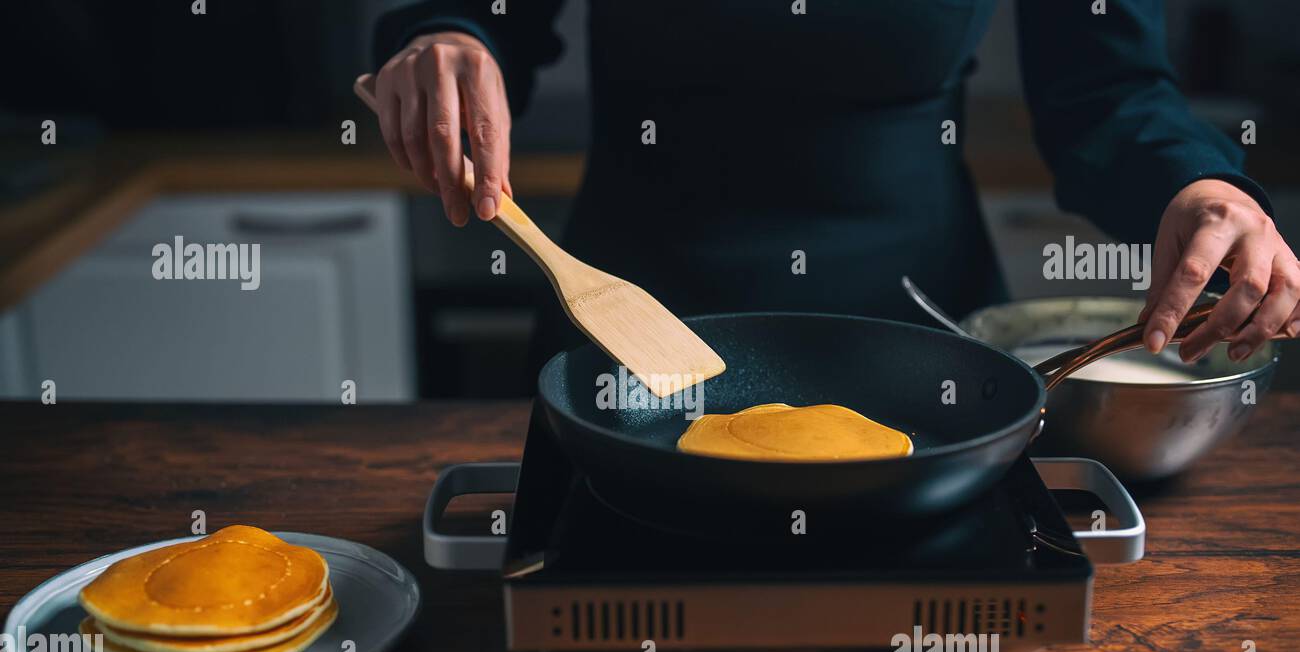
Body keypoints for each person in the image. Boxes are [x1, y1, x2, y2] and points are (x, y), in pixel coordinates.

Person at [371, 1, 1298, 373]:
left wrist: (1197, 184)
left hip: (921, 330)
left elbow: (1107, 91)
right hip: (627, 321)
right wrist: (448, 40)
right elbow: (485, 17)